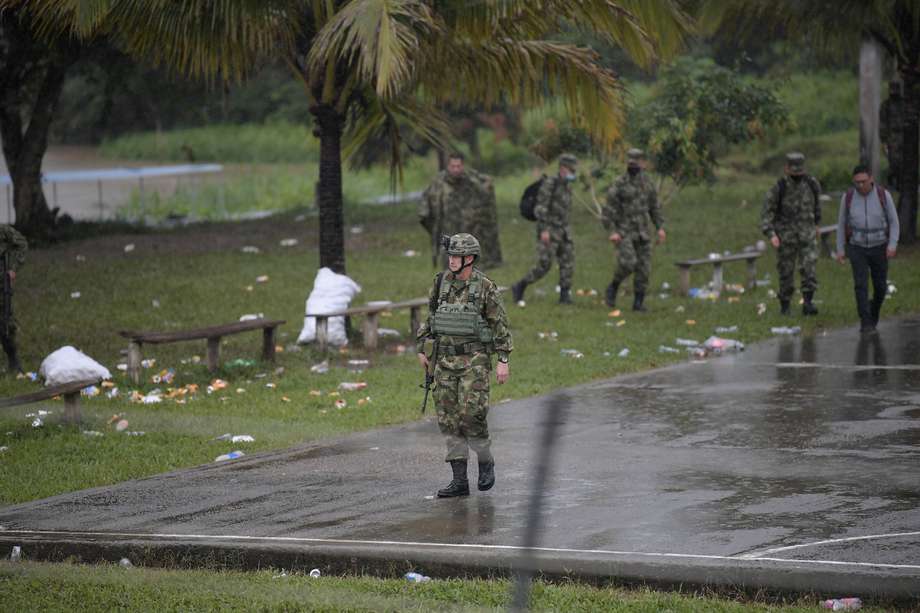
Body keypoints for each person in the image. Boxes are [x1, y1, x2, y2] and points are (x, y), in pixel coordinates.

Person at [416, 233, 512, 498]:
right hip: (444, 362)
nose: (451, 261)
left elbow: (499, 326)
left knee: (472, 416)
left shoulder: (485, 287)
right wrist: (422, 348)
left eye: (456, 256)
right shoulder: (440, 283)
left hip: (474, 362)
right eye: (450, 256)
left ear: (469, 258)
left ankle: (485, 460)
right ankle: (459, 481)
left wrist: (503, 360)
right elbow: (431, 319)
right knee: (449, 421)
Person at [835, 164, 899, 334]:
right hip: (857, 247)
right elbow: (841, 224)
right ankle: (865, 321)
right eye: (857, 182)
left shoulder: (883, 195)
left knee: (880, 287)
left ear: (871, 179)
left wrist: (892, 245)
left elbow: (894, 222)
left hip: (879, 246)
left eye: (863, 181)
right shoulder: (848, 197)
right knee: (860, 285)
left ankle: (873, 309)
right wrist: (840, 250)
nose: (860, 186)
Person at [601, 148, 665, 311]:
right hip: (624, 231)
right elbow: (609, 209)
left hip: (643, 232)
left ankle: (638, 303)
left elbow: (654, 207)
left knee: (644, 269)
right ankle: (613, 286)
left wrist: (660, 227)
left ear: (643, 163)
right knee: (628, 263)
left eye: (636, 161)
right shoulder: (620, 183)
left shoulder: (648, 184)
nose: (633, 164)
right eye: (630, 161)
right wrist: (612, 231)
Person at [510, 154, 577, 305]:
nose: (574, 173)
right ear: (563, 169)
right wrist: (545, 231)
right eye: (572, 170)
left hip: (564, 231)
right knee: (544, 265)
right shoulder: (550, 184)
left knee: (568, 262)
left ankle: (565, 295)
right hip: (550, 230)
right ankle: (520, 286)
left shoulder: (566, 186)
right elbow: (540, 209)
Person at [761, 152, 822, 316]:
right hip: (786, 237)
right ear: (786, 169)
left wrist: (817, 224)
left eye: (799, 171)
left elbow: (816, 206)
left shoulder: (811, 184)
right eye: (793, 171)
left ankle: (808, 303)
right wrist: (771, 234)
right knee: (786, 271)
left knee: (809, 269)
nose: (797, 175)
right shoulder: (779, 188)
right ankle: (785, 305)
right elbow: (767, 213)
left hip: (807, 235)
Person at [418, 152, 502, 268]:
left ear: (463, 166)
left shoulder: (472, 179)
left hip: (469, 231)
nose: (456, 170)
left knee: (470, 266)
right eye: (453, 166)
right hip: (448, 232)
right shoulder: (438, 183)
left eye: (459, 166)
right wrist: (433, 228)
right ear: (448, 166)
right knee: (451, 267)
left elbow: (487, 190)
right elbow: (425, 208)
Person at [0, 224, 27, 374]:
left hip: (1, 286)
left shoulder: (3, 232)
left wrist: (13, 269)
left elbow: (21, 243)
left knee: (6, 323)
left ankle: (13, 358)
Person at [879, 78, 904, 191]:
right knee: (893, 161)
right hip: (892, 136)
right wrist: (884, 140)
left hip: (904, 136)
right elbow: (883, 123)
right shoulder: (886, 105)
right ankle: (892, 181)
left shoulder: (904, 103)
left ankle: (900, 183)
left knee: (903, 162)